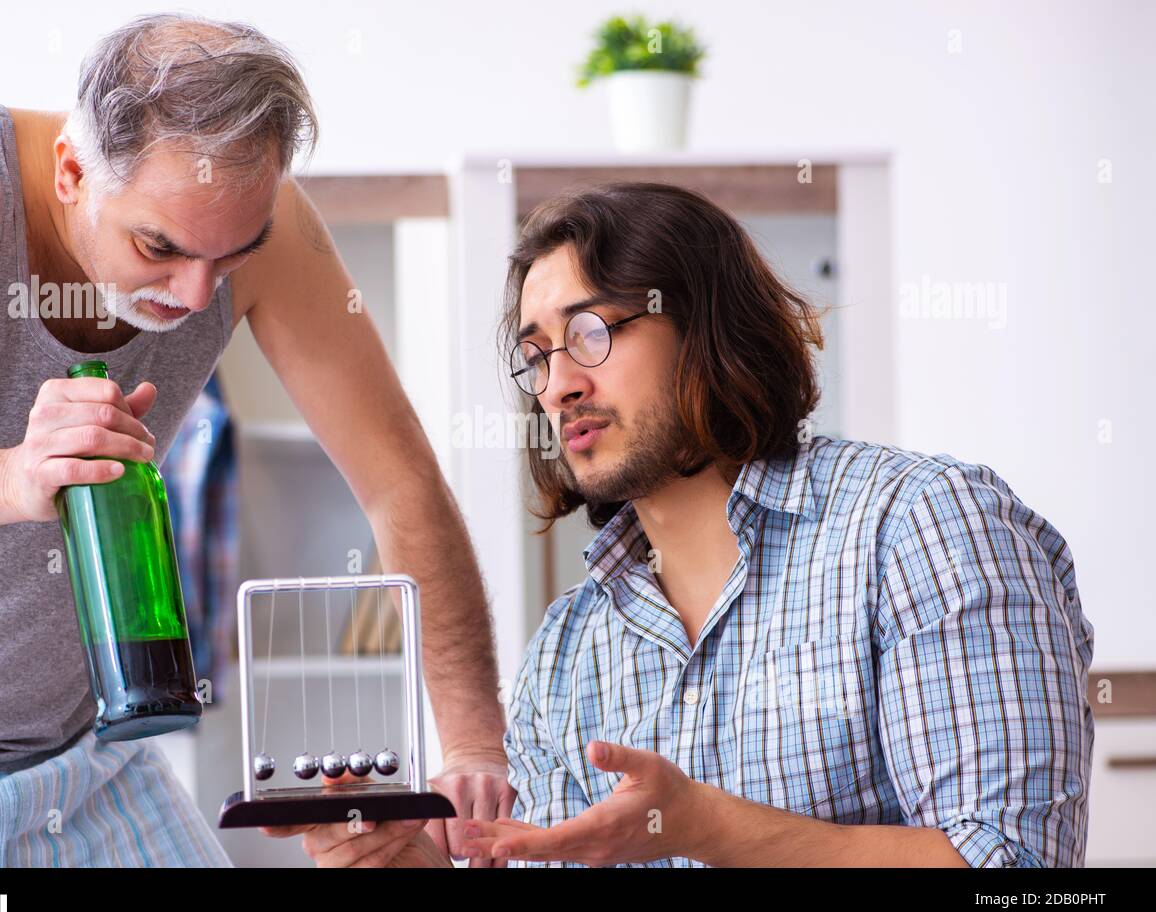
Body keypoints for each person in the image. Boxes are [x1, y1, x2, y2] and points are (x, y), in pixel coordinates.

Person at [270, 182, 1094, 867]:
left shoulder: (921, 526)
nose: (557, 384)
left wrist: (706, 824)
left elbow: (1021, 878)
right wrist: (406, 861)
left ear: (704, 327)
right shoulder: (567, 649)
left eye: (591, 333)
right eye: (537, 354)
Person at [0, 13, 511, 866]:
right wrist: (11, 480)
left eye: (230, 258)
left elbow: (400, 485)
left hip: (82, 762)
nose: (198, 297)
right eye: (157, 247)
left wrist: (471, 745)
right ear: (71, 171)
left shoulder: (255, 224)